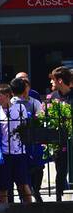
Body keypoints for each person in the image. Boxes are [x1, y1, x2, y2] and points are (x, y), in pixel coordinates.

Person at [0, 83, 34, 204]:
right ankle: (4, 210)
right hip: (4, 153)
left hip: (19, 151)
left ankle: (30, 209)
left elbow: (27, 127)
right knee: (3, 186)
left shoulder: (20, 108)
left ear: (7, 95)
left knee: (23, 184)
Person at [10, 76, 45, 201]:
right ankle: (28, 194)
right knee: (27, 170)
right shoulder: (12, 103)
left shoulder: (34, 102)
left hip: (28, 142)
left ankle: (34, 191)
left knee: (36, 168)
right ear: (25, 89)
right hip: (24, 143)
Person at [46, 66, 73, 202]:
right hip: (59, 140)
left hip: (71, 139)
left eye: (53, 80)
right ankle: (59, 198)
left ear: (60, 80)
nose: (51, 83)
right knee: (60, 170)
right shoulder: (53, 97)